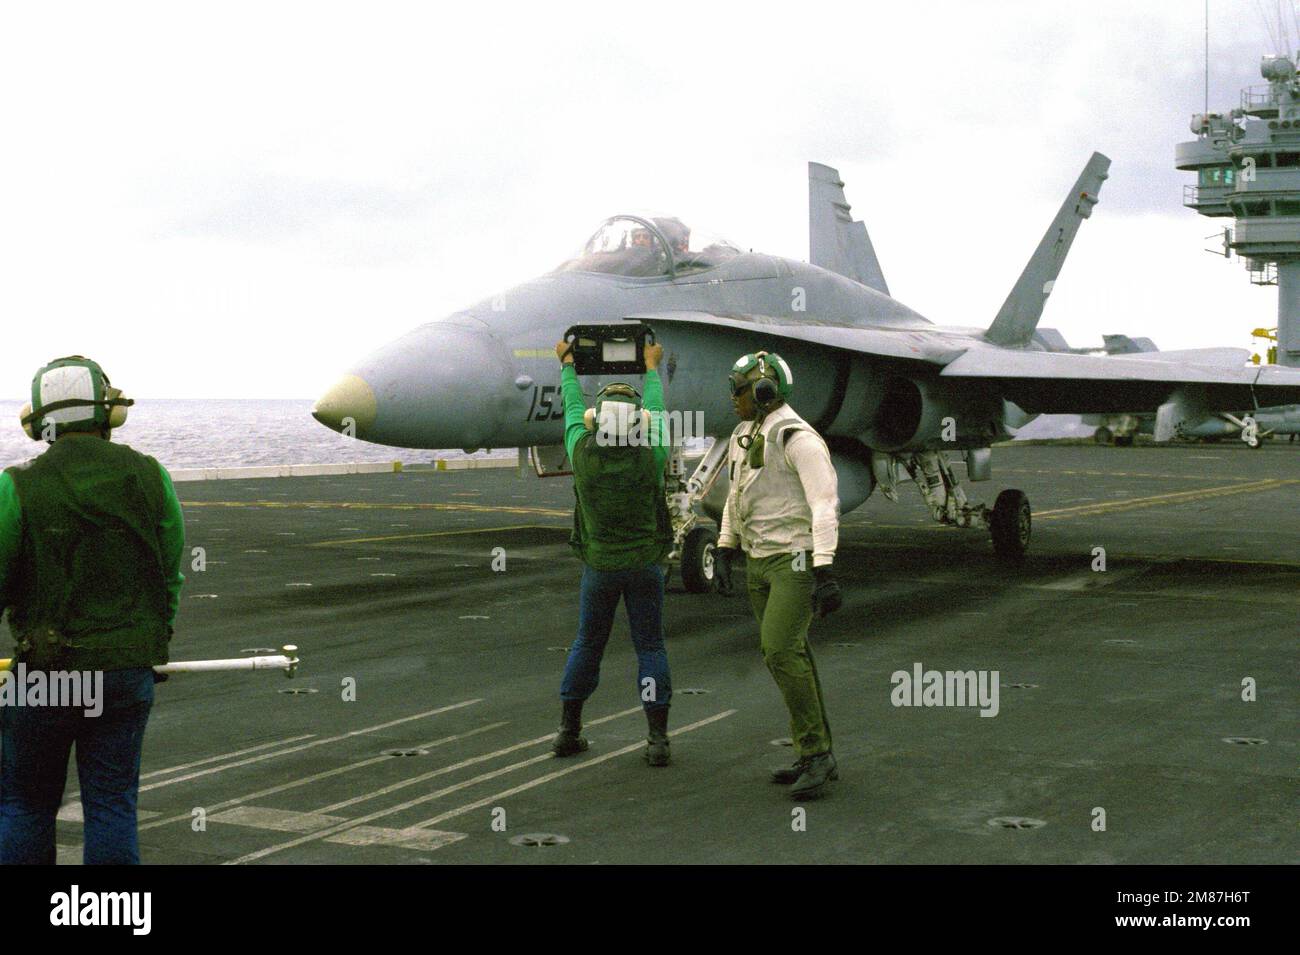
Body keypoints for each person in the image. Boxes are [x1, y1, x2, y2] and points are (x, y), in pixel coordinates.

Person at [0, 356, 185, 864]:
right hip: (125, 674)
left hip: (46, 677)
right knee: (110, 807)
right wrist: (149, 643)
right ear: (108, 414)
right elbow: (169, 575)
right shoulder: (152, 477)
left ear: (40, 422)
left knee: (25, 803)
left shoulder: (15, 486)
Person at [713, 351, 843, 800]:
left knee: (780, 652)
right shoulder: (743, 434)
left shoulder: (798, 439)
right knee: (794, 654)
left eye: (739, 390)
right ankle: (814, 752)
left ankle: (818, 755)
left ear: (764, 392)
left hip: (795, 559)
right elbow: (735, 495)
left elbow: (824, 504)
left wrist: (824, 566)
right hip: (757, 560)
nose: (733, 399)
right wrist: (726, 546)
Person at [551, 338, 674, 765]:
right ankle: (657, 740)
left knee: (588, 645)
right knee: (651, 649)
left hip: (599, 568)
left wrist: (568, 365)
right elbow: (656, 413)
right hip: (643, 567)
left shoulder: (582, 455)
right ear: (636, 422)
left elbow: (570, 408)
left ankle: (569, 731)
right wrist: (650, 369)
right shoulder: (652, 456)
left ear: (596, 420)